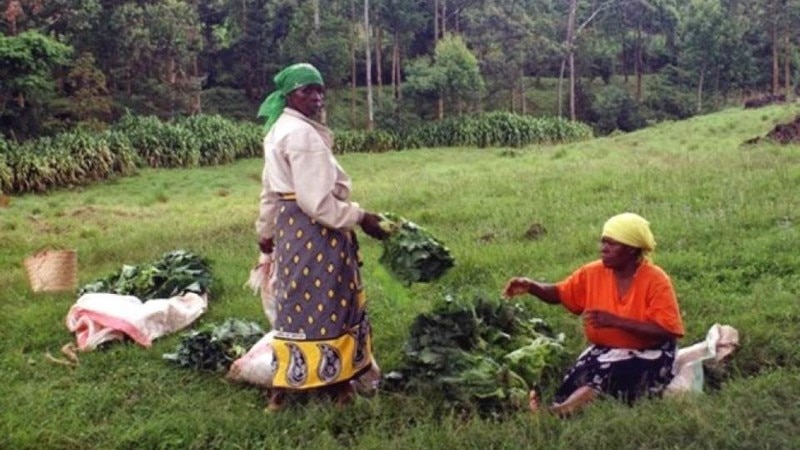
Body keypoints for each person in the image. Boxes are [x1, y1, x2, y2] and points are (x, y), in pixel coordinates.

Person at [254, 62, 388, 411]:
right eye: (306, 91)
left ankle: (282, 390)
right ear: (288, 95)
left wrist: (266, 230)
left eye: (319, 90)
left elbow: (270, 191)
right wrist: (360, 217)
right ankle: (338, 387)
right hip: (317, 233)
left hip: (290, 229)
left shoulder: (277, 129)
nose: (316, 97)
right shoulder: (301, 136)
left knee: (293, 305)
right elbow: (316, 202)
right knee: (332, 302)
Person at [502, 212, 684, 416]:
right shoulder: (593, 273)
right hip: (606, 349)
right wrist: (531, 286)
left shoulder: (655, 279)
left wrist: (616, 321)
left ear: (632, 250)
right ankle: (562, 406)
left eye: (611, 244)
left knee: (605, 378)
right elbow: (560, 293)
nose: (603, 249)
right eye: (603, 242)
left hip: (650, 351)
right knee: (577, 379)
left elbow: (666, 330)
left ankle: (556, 413)